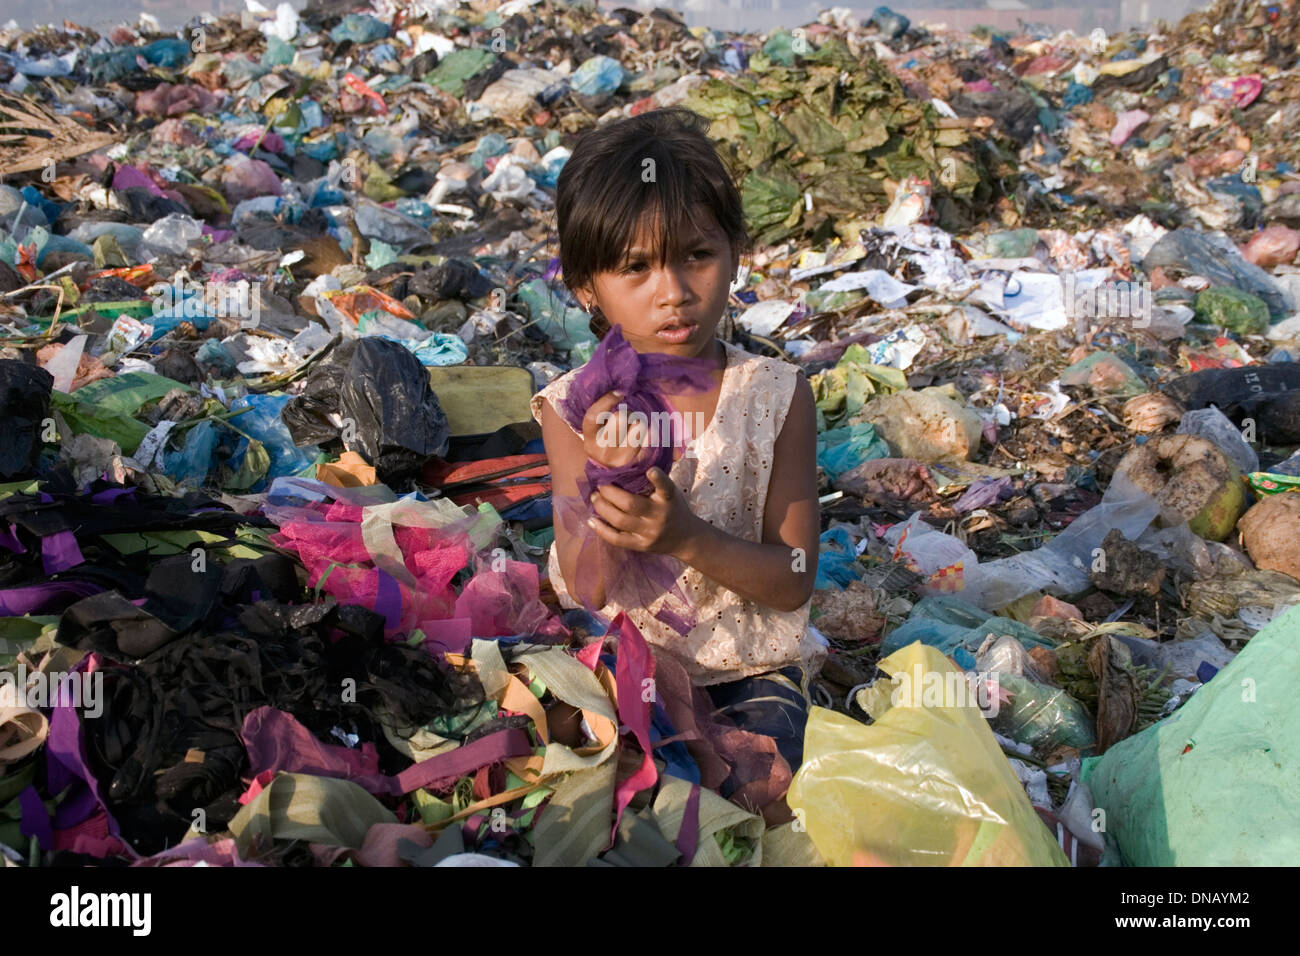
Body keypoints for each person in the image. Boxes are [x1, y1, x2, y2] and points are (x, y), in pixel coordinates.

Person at [530, 108, 824, 778]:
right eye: (637, 268)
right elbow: (587, 586)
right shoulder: (572, 410)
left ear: (734, 255)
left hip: (745, 670)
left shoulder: (777, 397)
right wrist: (610, 480)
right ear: (587, 288)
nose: (675, 293)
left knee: (758, 787)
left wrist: (685, 538)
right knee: (580, 771)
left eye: (697, 255)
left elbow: (794, 579)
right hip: (622, 655)